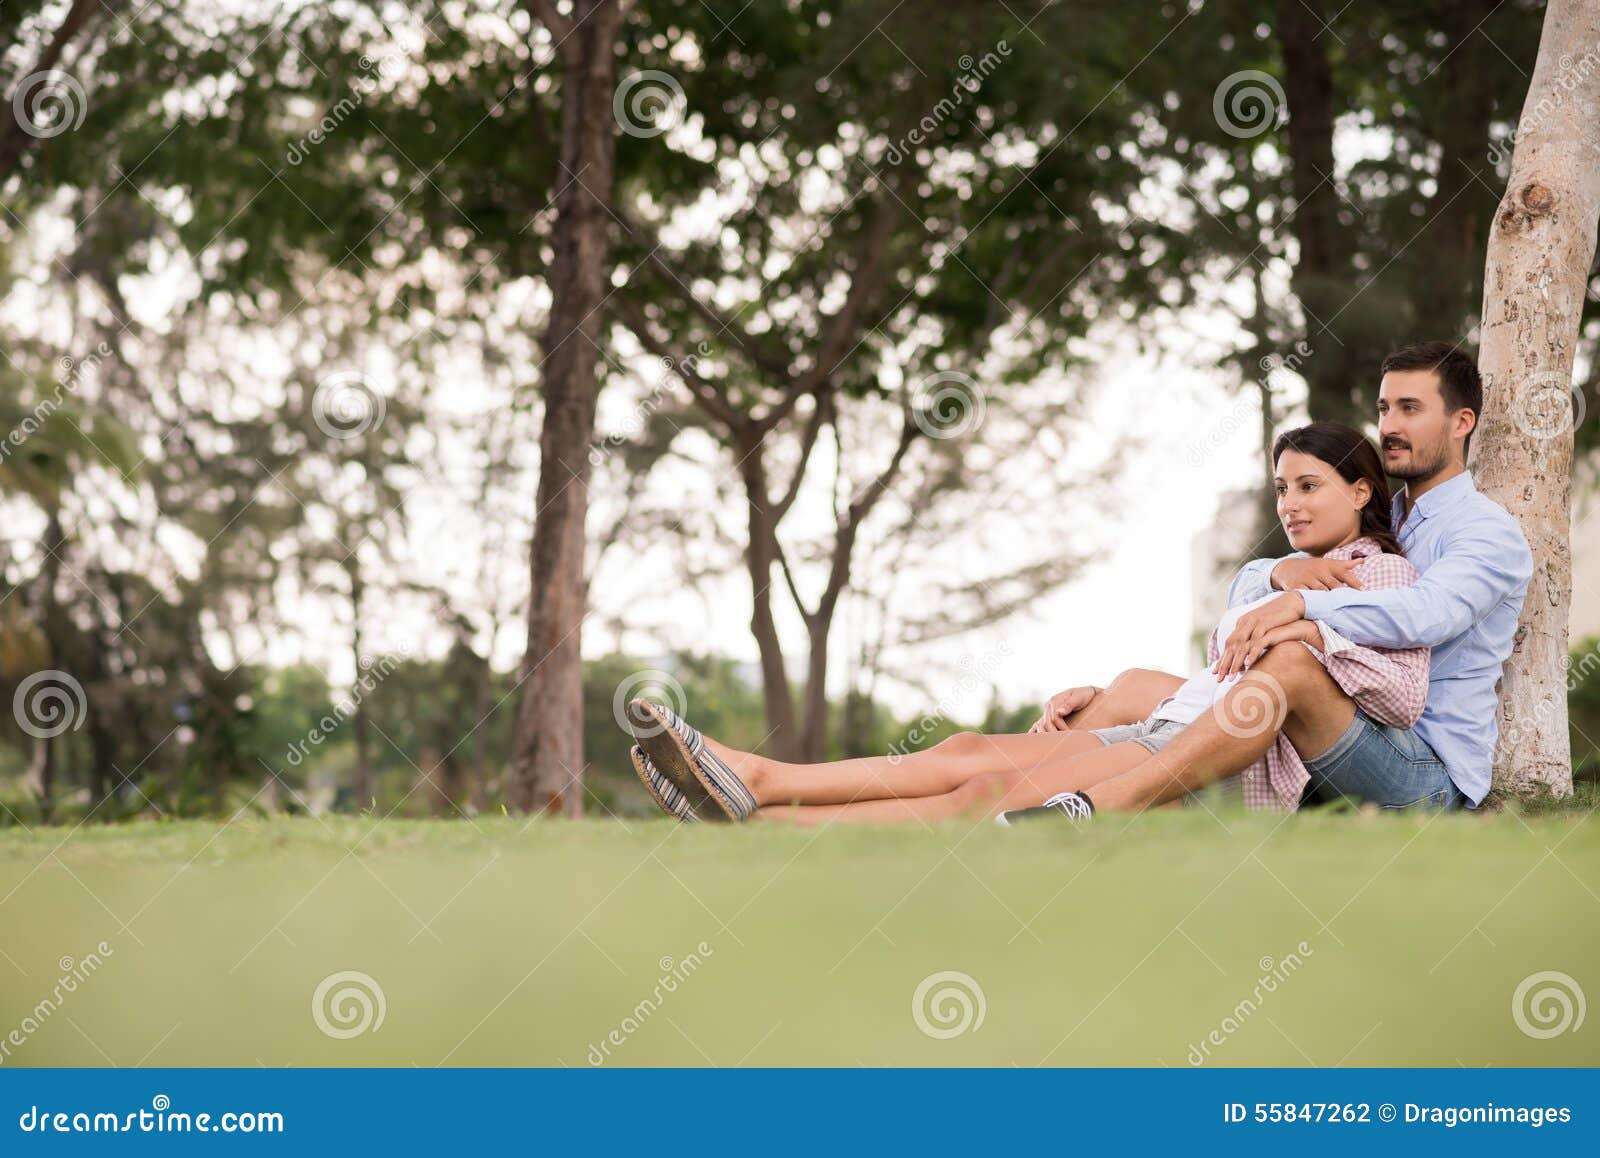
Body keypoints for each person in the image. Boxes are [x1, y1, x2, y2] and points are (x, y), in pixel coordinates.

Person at [624, 419, 1430, 824]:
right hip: (1160, 723)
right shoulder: (1271, 576)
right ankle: (755, 778)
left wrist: (1305, 624)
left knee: (983, 791)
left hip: (1170, 749)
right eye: (1283, 488)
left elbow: (1396, 695)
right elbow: (1221, 667)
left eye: (1310, 487)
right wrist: (1120, 693)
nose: (1290, 504)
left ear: (1361, 492)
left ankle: (760, 826)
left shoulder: (1386, 577)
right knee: (967, 750)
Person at [1045, 341, 1534, 821]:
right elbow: (1243, 597)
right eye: (1384, 408)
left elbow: (1426, 615)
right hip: (1317, 734)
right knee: (1132, 686)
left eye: (1410, 409)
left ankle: (1106, 802)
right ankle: (1002, 799)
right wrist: (1279, 572)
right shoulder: (1374, 513)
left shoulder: (1486, 532)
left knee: (1291, 665)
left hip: (1420, 770)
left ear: (1461, 422)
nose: (1390, 426)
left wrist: (1302, 607)